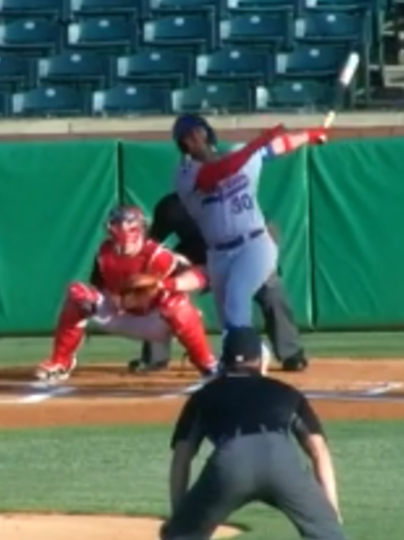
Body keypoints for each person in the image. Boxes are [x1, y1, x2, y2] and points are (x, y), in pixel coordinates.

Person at [131, 327, 384, 540]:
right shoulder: (285, 392)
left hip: (230, 464)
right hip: (282, 464)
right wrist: (331, 510)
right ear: (261, 361)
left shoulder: (204, 396)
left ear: (224, 362)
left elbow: (182, 457)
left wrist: (179, 516)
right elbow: (318, 450)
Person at [171, 114, 325, 359]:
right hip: (218, 254)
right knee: (227, 319)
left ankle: (247, 360)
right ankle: (246, 355)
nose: (193, 140)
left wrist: (309, 135)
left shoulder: (240, 154)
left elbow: (278, 146)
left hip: (254, 244)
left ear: (207, 133)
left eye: (196, 133)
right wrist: (258, 141)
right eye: (186, 138)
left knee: (237, 299)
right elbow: (219, 173)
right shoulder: (186, 174)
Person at [33, 205, 218, 384]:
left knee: (177, 305)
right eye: (117, 225)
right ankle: (61, 362)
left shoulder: (157, 255)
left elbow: (200, 276)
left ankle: (205, 362)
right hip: (118, 313)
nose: (121, 232)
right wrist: (96, 300)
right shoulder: (105, 253)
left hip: (153, 320)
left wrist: (162, 284)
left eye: (126, 227)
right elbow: (98, 288)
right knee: (77, 293)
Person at [137, 192, 308, 373]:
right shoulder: (172, 206)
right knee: (159, 287)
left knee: (272, 291)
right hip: (198, 255)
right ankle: (155, 358)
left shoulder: (232, 194)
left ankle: (291, 353)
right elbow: (152, 245)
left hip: (244, 252)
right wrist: (166, 261)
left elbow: (265, 228)